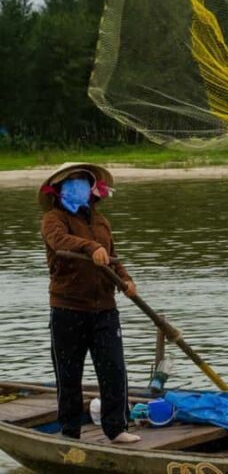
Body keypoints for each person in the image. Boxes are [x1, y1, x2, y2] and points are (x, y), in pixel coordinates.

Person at [38, 163, 141, 443]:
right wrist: (90, 247)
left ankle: (116, 428)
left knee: (114, 369)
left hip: (105, 309)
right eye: (71, 182)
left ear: (92, 190)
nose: (78, 187)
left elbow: (113, 256)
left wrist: (126, 281)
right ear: (59, 191)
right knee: (69, 373)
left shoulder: (101, 222)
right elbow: (60, 241)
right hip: (68, 308)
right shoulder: (53, 219)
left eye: (83, 182)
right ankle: (70, 430)